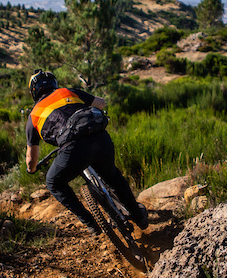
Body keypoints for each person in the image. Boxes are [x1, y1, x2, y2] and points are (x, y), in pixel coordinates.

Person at [24, 70, 148, 235]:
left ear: (33, 91)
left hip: (73, 148)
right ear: (54, 83)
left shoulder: (34, 115)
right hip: (100, 138)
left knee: (53, 182)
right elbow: (101, 103)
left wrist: (31, 169)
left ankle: (92, 224)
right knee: (112, 176)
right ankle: (139, 216)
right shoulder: (68, 92)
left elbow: (32, 158)